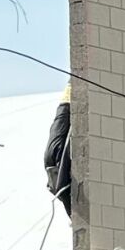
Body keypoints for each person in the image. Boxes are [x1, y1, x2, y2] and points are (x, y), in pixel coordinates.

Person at [42, 83, 72, 214]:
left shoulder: (65, 192)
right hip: (53, 162)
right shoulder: (64, 192)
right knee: (62, 118)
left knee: (62, 118)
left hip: (54, 162)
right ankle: (71, 85)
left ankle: (71, 85)